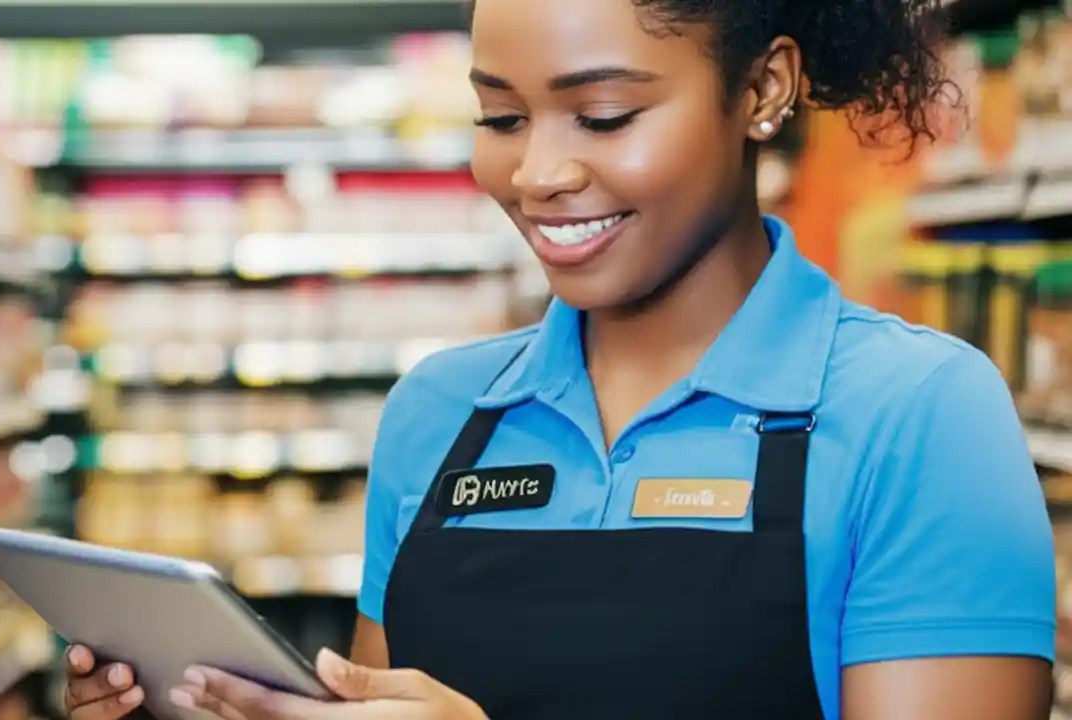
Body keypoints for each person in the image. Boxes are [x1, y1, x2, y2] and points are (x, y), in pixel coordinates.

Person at [63, 0, 1057, 717]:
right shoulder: (439, 413)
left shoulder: (915, 411)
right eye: (500, 118)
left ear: (762, 88)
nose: (536, 173)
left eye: (604, 116)